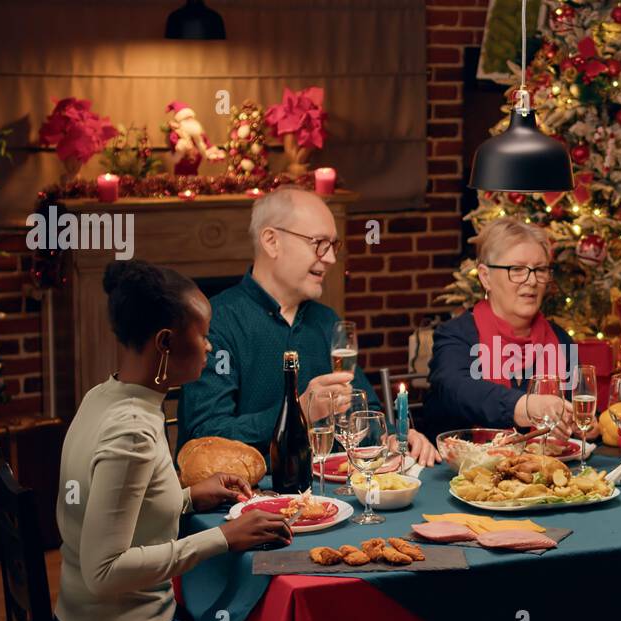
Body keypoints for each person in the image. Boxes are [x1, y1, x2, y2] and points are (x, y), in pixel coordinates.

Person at [54, 260, 295, 621]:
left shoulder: (105, 396)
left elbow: (116, 507)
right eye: (201, 335)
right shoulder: (132, 431)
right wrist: (223, 536)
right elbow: (103, 572)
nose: (208, 347)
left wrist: (185, 498)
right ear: (165, 341)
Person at [177, 185, 440, 465]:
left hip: (326, 495)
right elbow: (205, 436)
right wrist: (300, 410)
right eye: (318, 243)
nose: (330, 258)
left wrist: (391, 438)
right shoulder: (217, 322)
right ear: (271, 241)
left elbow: (365, 412)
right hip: (240, 499)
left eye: (333, 245)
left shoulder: (328, 322)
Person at [422, 218, 581, 438]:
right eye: (517, 269)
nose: (532, 281)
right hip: (460, 469)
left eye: (540, 270)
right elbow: (456, 389)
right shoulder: (456, 335)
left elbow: (577, 415)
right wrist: (525, 406)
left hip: (545, 466)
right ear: (486, 277)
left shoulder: (560, 339)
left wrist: (586, 427)